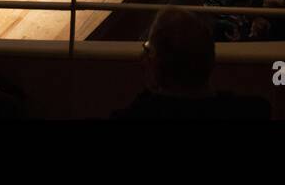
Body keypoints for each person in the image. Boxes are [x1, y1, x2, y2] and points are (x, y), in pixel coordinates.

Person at [114, 7, 270, 120]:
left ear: (154, 65)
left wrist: (149, 91)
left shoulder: (135, 113)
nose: (143, 55)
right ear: (211, 58)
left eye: (148, 49)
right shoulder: (255, 110)